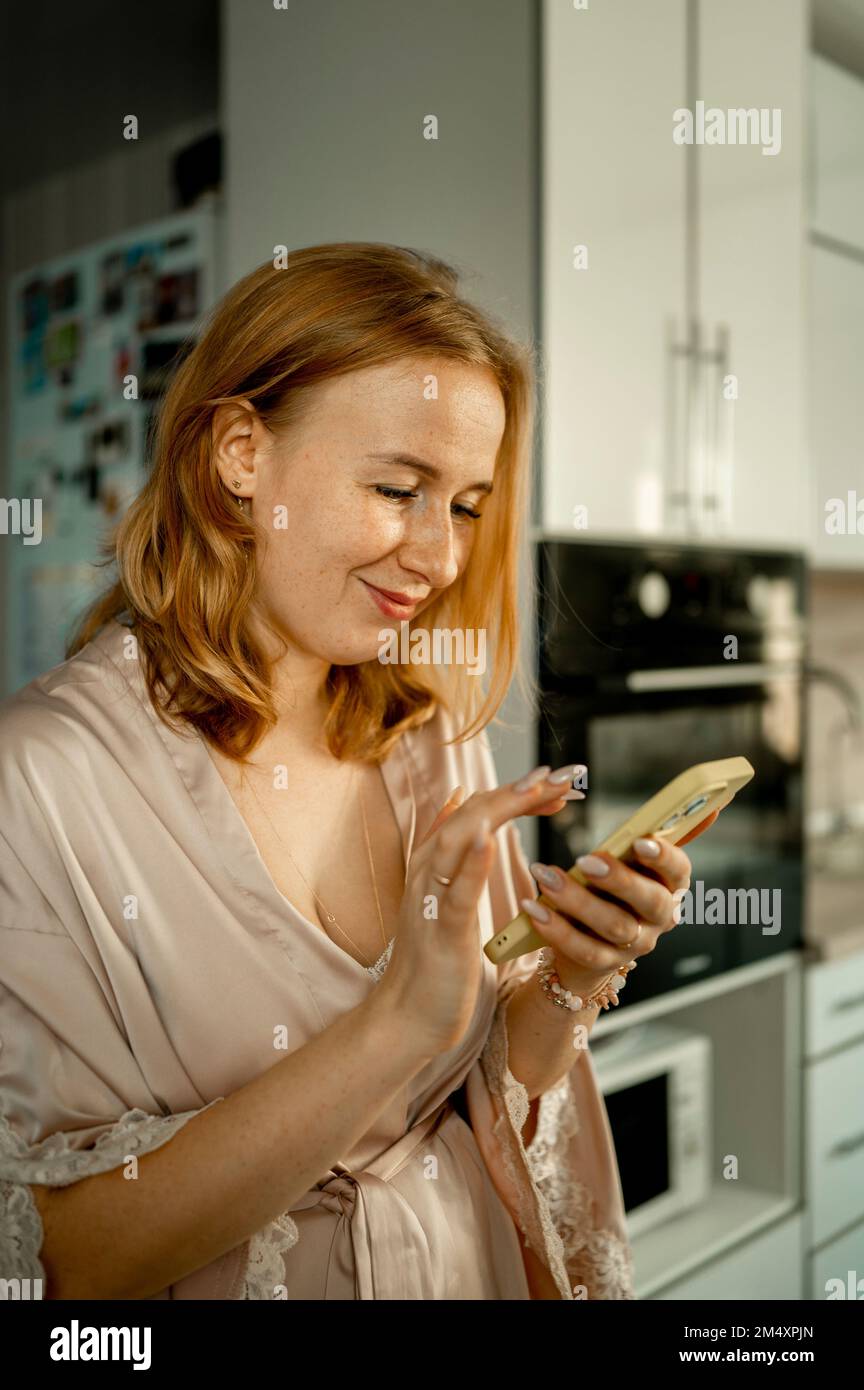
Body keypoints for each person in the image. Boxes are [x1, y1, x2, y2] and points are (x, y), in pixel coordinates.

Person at [0, 243, 707, 1301]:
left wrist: (568, 975)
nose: (441, 557)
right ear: (242, 455)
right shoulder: (44, 778)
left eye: (466, 505)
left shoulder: (430, 737)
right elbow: (60, 1268)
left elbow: (486, 1085)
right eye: (397, 488)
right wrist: (392, 1025)